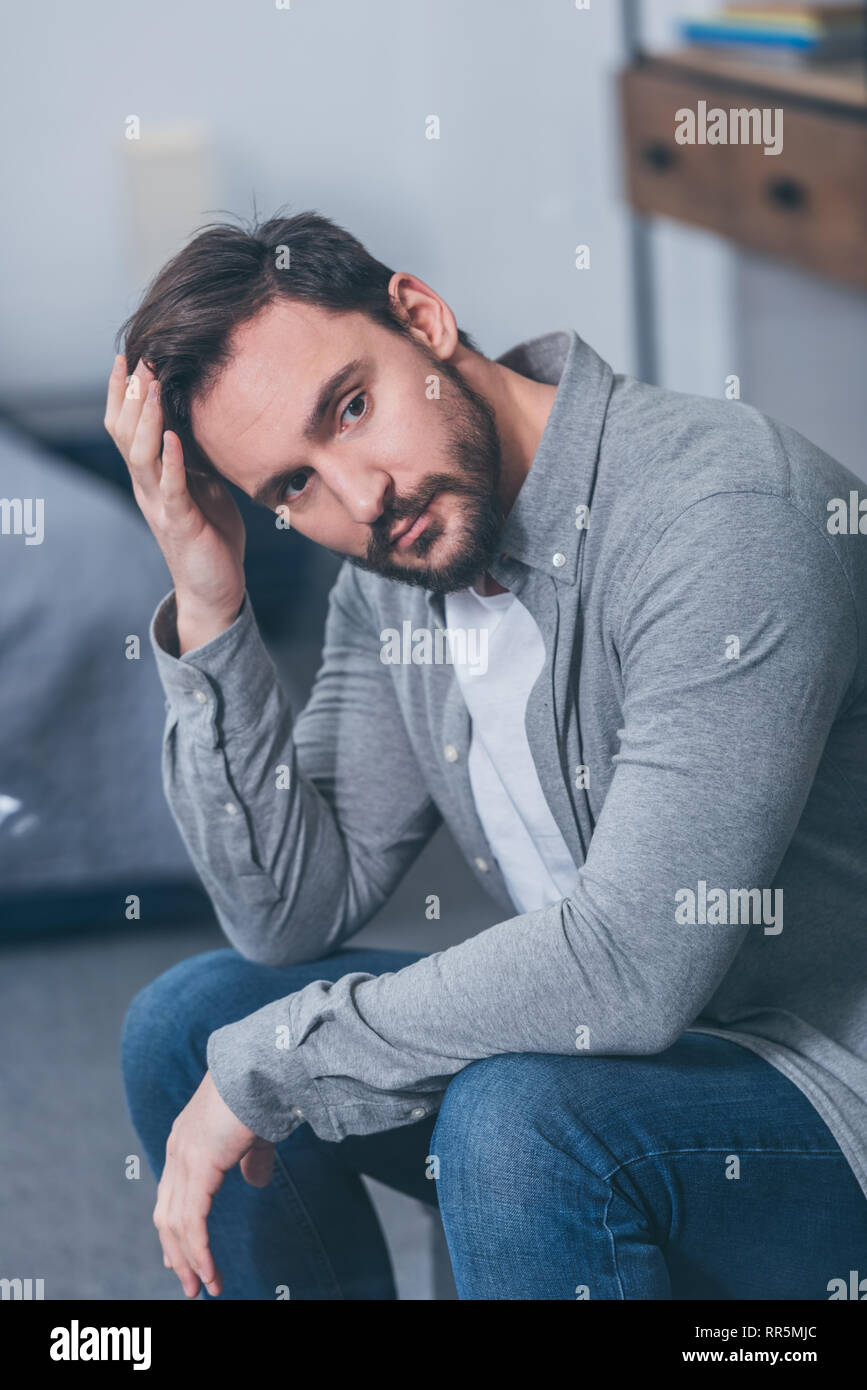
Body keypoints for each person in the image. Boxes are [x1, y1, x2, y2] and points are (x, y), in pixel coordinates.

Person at [115, 211, 867, 1300]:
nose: (362, 495)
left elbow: (631, 964)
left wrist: (274, 1061)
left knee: (515, 1123)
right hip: (621, 1070)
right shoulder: (396, 577)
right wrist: (207, 594)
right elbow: (287, 910)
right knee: (189, 1026)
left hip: (819, 1098)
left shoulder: (724, 517)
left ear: (421, 318)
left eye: (354, 406)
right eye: (294, 486)